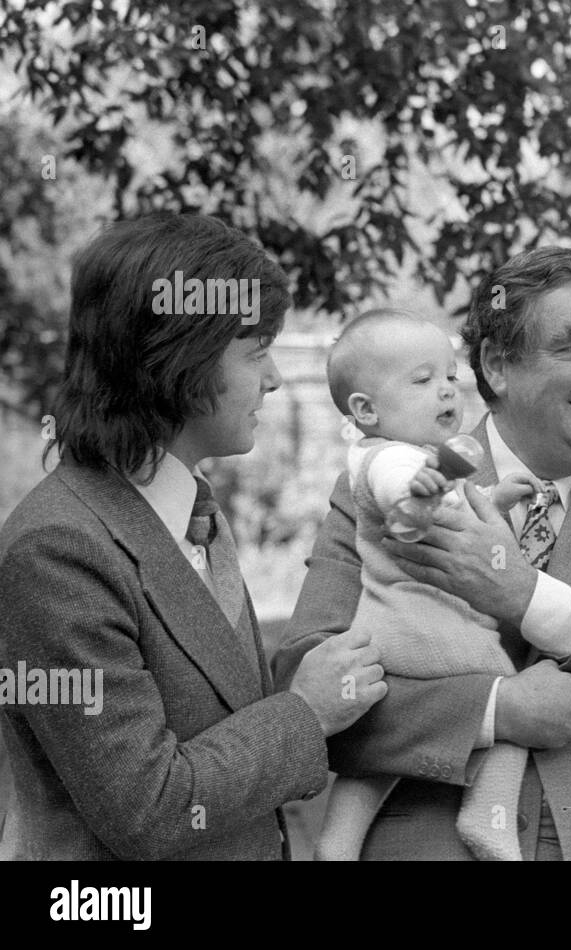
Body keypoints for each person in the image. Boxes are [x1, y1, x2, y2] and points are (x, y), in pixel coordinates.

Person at [273, 246, 571, 860]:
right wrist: (493, 711)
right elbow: (306, 693)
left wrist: (528, 597)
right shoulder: (388, 486)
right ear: (497, 364)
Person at [0, 213, 385, 860]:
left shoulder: (192, 512)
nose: (275, 379)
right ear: (184, 359)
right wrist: (306, 712)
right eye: (257, 351)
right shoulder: (58, 549)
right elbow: (149, 809)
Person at [314, 309, 540, 861]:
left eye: (448, 377)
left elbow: (454, 513)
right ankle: (489, 818)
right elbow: (403, 507)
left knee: (373, 764)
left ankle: (336, 845)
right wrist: (417, 490)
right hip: (424, 627)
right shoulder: (388, 459)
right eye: (421, 380)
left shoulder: (420, 461)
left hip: (386, 629)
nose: (445, 390)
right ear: (365, 410)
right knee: (513, 696)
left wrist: (497, 500)